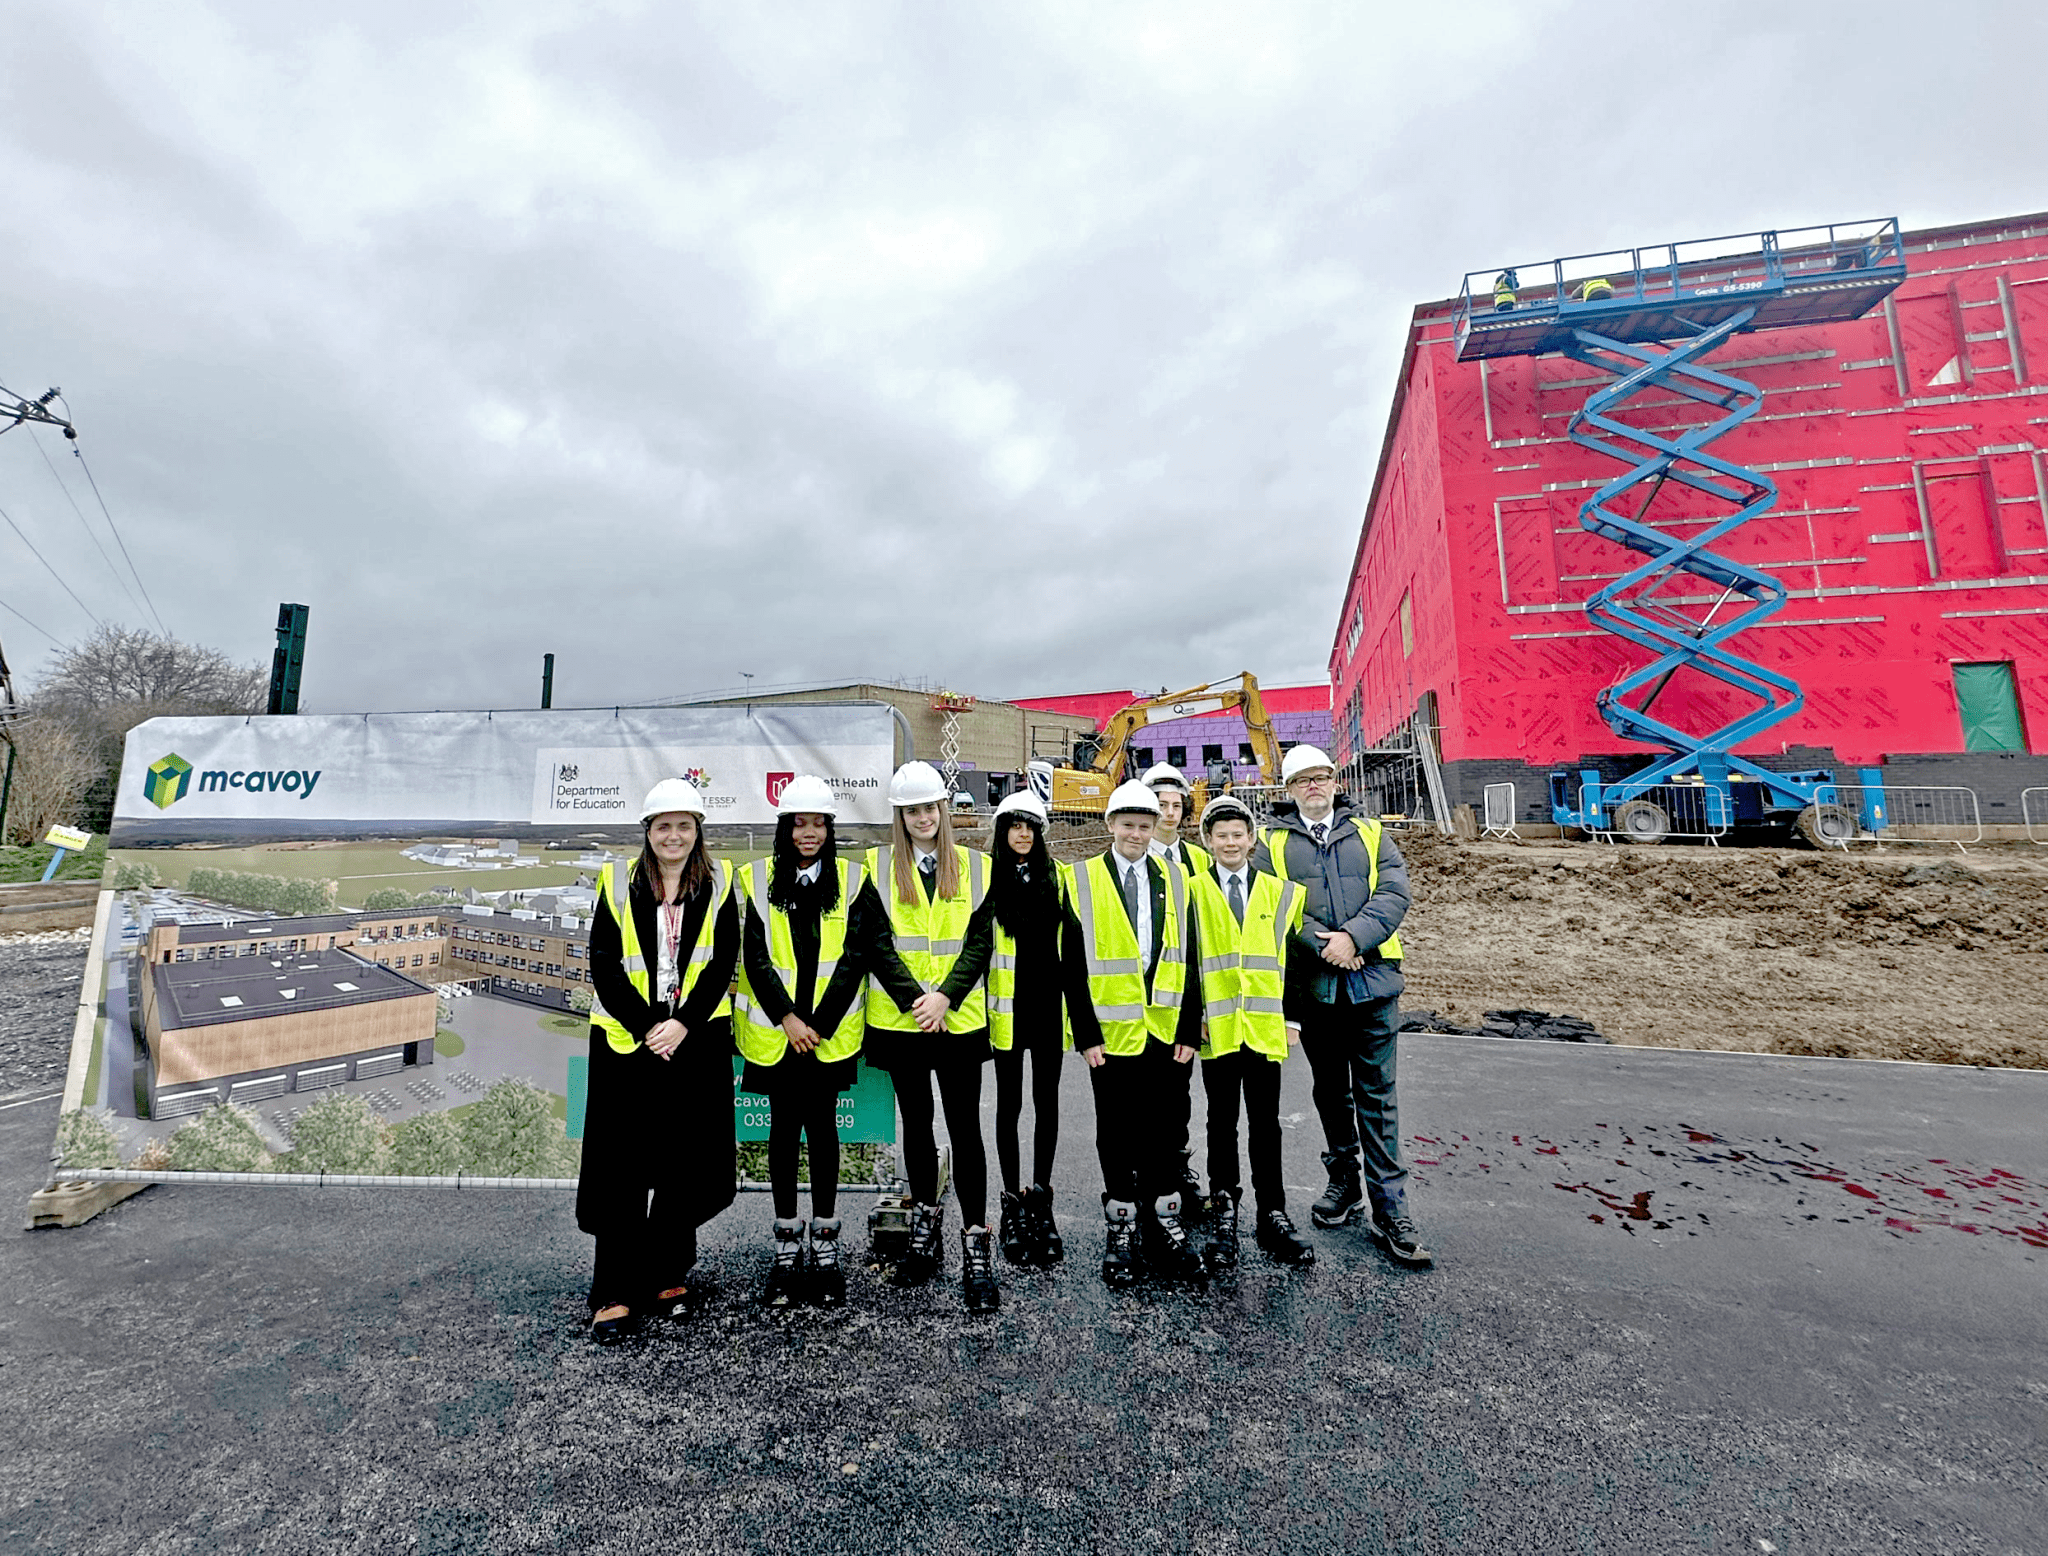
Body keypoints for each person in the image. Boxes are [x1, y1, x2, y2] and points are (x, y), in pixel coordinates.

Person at [1253, 745, 1431, 1268]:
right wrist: (1324, 945)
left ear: (1335, 781)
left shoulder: (1371, 834)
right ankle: (1343, 1183)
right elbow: (1274, 906)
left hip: (1373, 985)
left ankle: (1392, 1209)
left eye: (1322, 776)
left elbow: (1395, 893)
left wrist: (1353, 938)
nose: (1314, 785)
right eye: (1303, 780)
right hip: (1317, 990)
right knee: (1331, 1093)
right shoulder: (1272, 844)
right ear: (1288, 790)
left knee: (1377, 1097)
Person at [578, 778, 742, 1340]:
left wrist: (682, 1024)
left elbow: (722, 964)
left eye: (684, 826)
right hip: (628, 1044)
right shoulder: (617, 883)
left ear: (698, 833)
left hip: (694, 1041)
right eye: (663, 825)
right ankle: (614, 1290)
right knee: (621, 1167)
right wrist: (651, 1026)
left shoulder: (719, 886)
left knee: (686, 1162)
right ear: (647, 832)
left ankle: (669, 1272)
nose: (673, 836)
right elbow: (603, 963)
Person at [733, 775, 895, 1308]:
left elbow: (857, 955)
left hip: (826, 1037)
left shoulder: (853, 880)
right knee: (783, 1133)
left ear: (830, 827)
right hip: (779, 1037)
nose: (809, 832)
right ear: (785, 827)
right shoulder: (754, 878)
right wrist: (787, 1018)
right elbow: (754, 956)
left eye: (818, 823)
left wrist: (817, 1023)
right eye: (799, 823)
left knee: (823, 1132)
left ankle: (825, 1241)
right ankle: (785, 1243)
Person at [863, 760, 1001, 1313]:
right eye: (912, 811)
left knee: (966, 1128)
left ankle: (974, 1240)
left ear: (944, 810)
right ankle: (925, 1226)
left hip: (957, 1020)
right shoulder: (875, 867)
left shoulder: (976, 867)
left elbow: (979, 943)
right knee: (916, 1127)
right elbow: (875, 942)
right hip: (903, 1024)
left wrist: (946, 997)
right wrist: (916, 1002)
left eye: (930, 808)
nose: (923, 818)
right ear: (900, 816)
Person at [1061, 779, 1204, 1287]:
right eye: (1129, 825)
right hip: (1110, 1036)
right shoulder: (1079, 880)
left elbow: (1190, 957)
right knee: (1116, 1130)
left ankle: (1165, 1218)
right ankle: (1121, 1220)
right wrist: (1085, 1034)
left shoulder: (1177, 878)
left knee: (1166, 1128)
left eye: (1146, 826)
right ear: (1110, 826)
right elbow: (1072, 963)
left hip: (1166, 1031)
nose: (1137, 834)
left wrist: (1190, 1025)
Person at [1188, 794, 1315, 1269]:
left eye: (1237, 834)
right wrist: (1192, 1015)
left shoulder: (1281, 893)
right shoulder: (1194, 891)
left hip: (1264, 1028)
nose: (1229, 843)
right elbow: (1187, 962)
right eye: (1220, 836)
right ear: (1208, 841)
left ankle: (1272, 1212)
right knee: (1220, 1123)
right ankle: (1224, 1211)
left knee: (1265, 1125)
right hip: (1216, 1027)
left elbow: (1295, 962)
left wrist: (1293, 1019)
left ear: (1251, 839)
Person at [945, 789, 1068, 1266]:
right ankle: (1013, 1201)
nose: (1022, 834)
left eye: (1030, 827)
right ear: (1002, 832)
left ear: (1040, 835)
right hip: (1007, 1009)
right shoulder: (987, 879)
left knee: (1047, 1103)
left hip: (1047, 1007)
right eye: (1015, 826)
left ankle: (1041, 1199)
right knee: (1010, 1105)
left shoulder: (1055, 879)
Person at [1141, 761, 1209, 1211]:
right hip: (1138, 1002)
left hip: (1181, 1000)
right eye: (1159, 804)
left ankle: (1175, 1165)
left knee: (1177, 1092)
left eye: (1175, 804)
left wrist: (1199, 1009)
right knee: (1137, 1093)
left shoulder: (1200, 863)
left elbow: (1208, 939)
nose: (1168, 813)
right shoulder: (1131, 860)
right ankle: (1139, 1168)